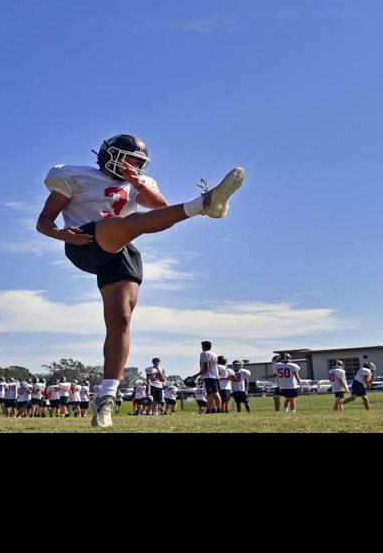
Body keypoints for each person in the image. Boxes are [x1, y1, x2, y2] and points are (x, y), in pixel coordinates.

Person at [36, 134, 245, 430]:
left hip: (121, 249)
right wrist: (61, 234)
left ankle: (105, 398)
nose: (135, 165)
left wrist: (136, 183)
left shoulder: (139, 183)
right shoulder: (74, 176)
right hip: (84, 241)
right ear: (112, 155)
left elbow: (161, 209)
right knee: (121, 225)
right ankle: (204, 203)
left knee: (121, 318)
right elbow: (43, 221)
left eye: (139, 162)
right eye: (131, 159)